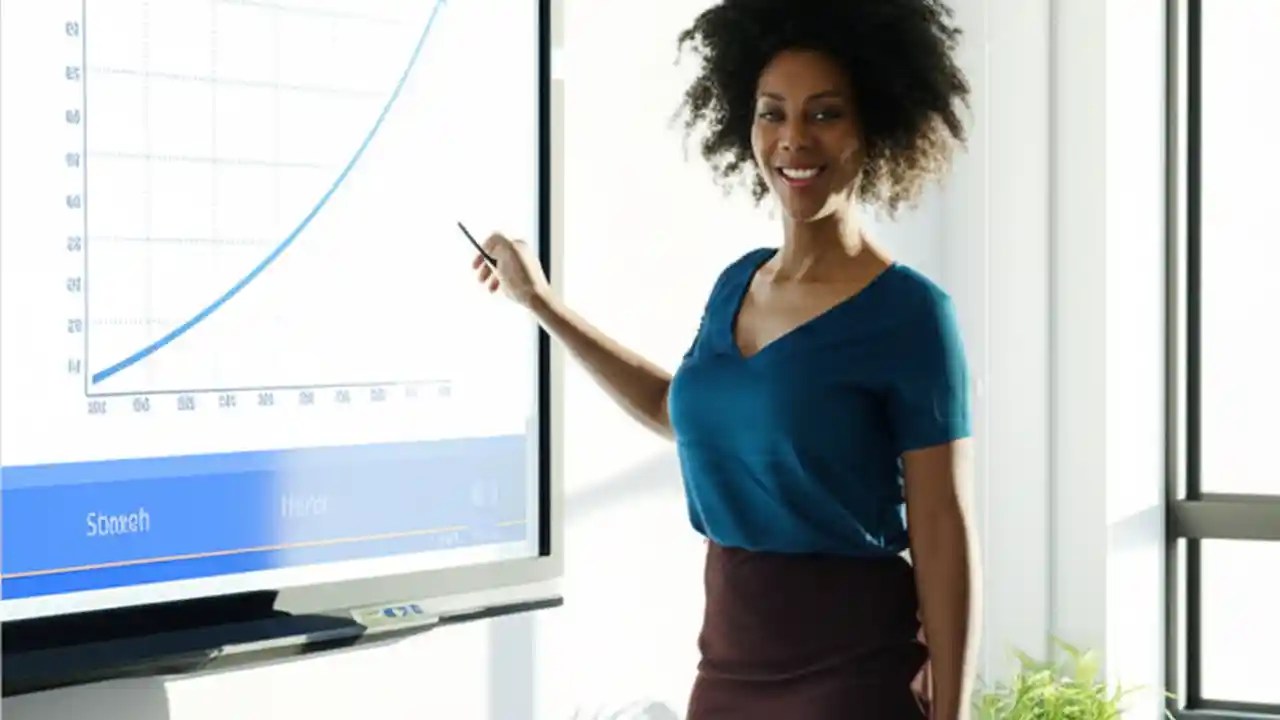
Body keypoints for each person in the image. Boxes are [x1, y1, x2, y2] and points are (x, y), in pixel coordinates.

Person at [469, 0, 979, 716]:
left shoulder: (912, 315)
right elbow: (672, 408)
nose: (794, 139)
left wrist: (951, 711)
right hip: (728, 667)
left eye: (825, 114)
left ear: (874, 125)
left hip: (853, 672)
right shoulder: (737, 283)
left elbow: (942, 528)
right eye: (773, 113)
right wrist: (542, 304)